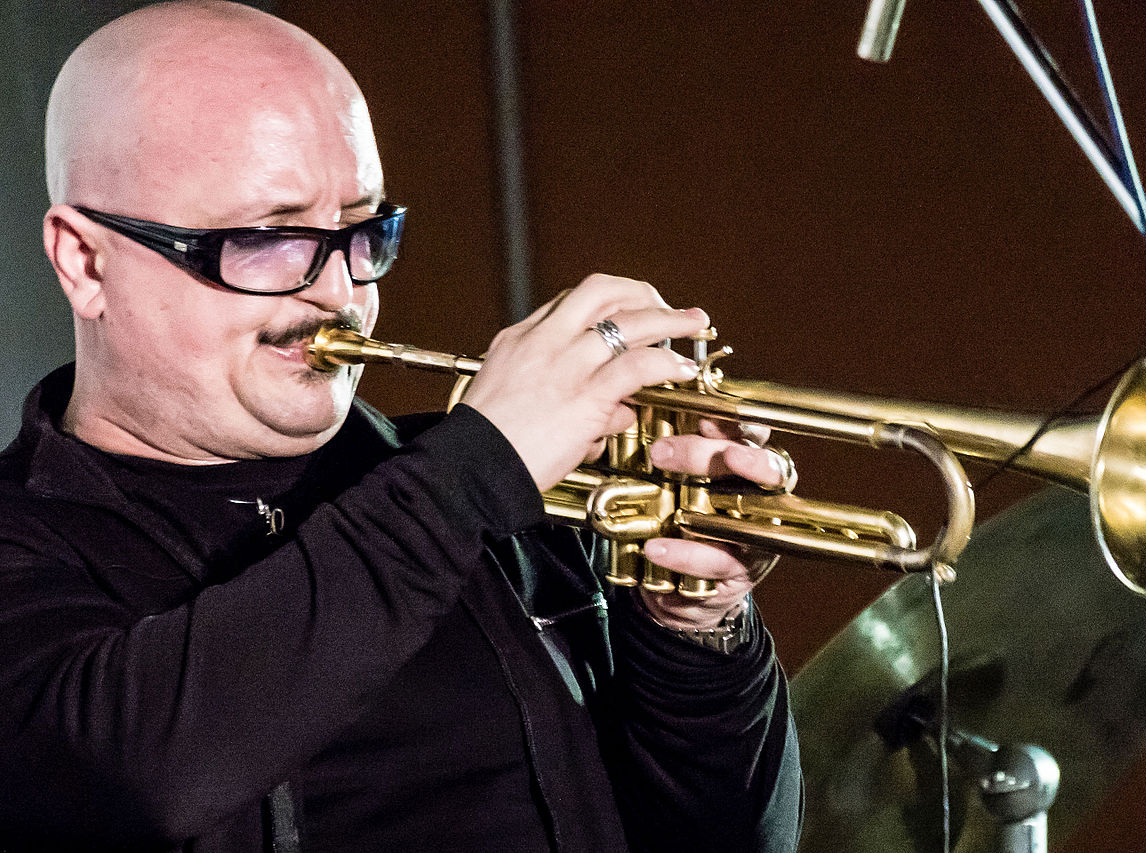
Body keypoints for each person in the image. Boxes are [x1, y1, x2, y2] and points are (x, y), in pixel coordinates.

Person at [0, 1, 802, 850]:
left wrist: (696, 629)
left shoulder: (501, 498)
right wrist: (472, 475)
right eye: (269, 238)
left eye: (363, 231)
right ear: (85, 262)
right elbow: (130, 779)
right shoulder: (26, 541)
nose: (343, 294)